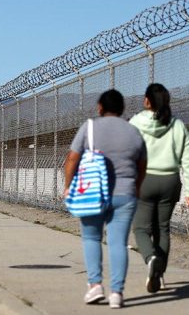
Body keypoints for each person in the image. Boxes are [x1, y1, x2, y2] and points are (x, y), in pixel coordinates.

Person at [64, 89, 147, 308]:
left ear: (100, 107)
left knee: (91, 238)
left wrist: (68, 186)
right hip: (125, 193)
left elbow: (72, 158)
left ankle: (95, 286)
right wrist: (137, 187)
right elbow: (142, 164)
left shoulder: (89, 127)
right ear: (122, 109)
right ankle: (117, 292)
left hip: (93, 193)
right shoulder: (133, 131)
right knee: (118, 243)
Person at [129, 83, 189, 293]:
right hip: (170, 181)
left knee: (141, 228)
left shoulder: (136, 123)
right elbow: (188, 159)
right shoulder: (178, 126)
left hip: (144, 179)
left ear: (146, 101)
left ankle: (151, 258)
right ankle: (158, 274)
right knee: (163, 229)